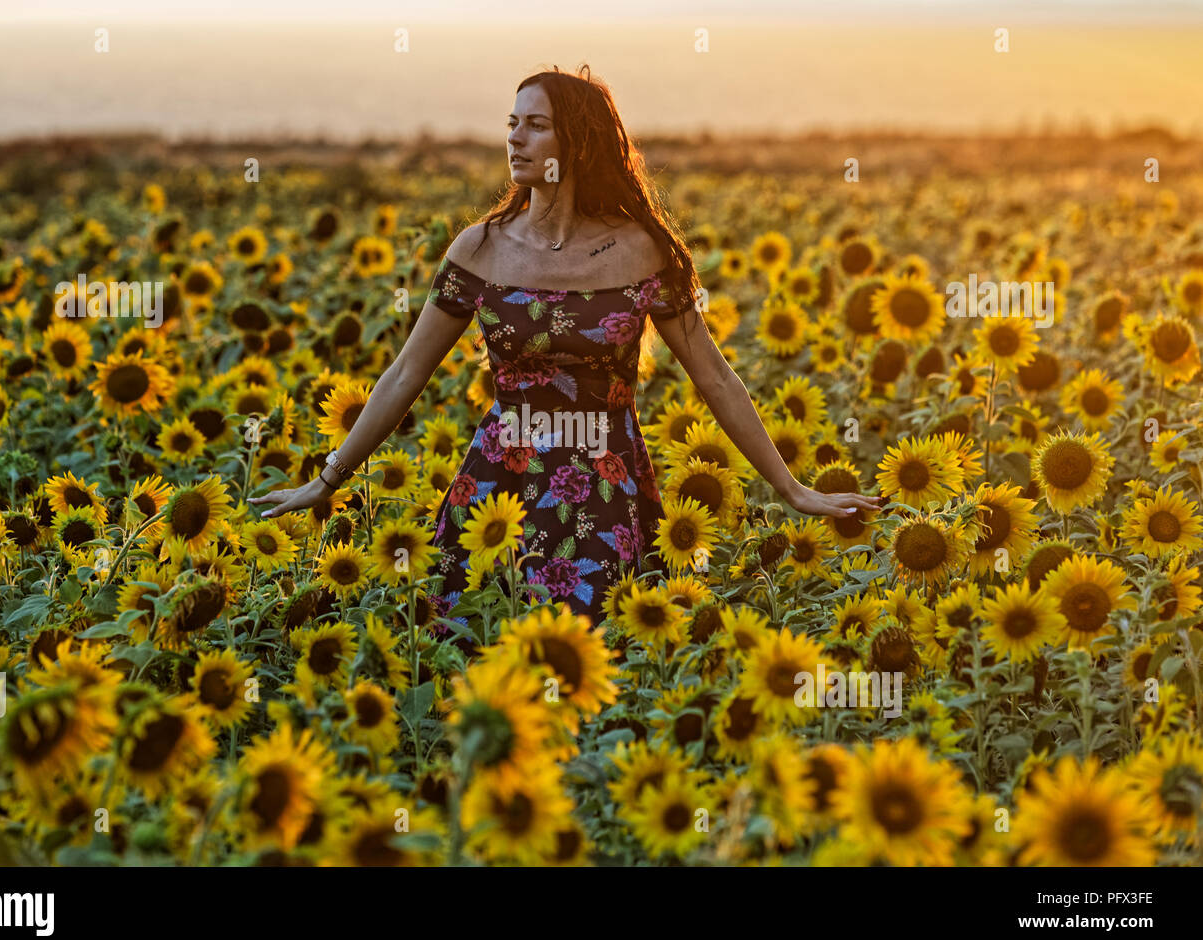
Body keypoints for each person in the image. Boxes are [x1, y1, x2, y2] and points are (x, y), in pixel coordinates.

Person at [249, 64, 882, 634]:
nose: (515, 140)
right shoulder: (479, 249)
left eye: (536, 126)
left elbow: (715, 378)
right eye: (512, 124)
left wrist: (793, 489)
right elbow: (406, 372)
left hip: (606, 491)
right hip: (499, 491)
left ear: (575, 143)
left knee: (598, 658)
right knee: (471, 646)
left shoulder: (641, 250)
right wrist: (330, 477)